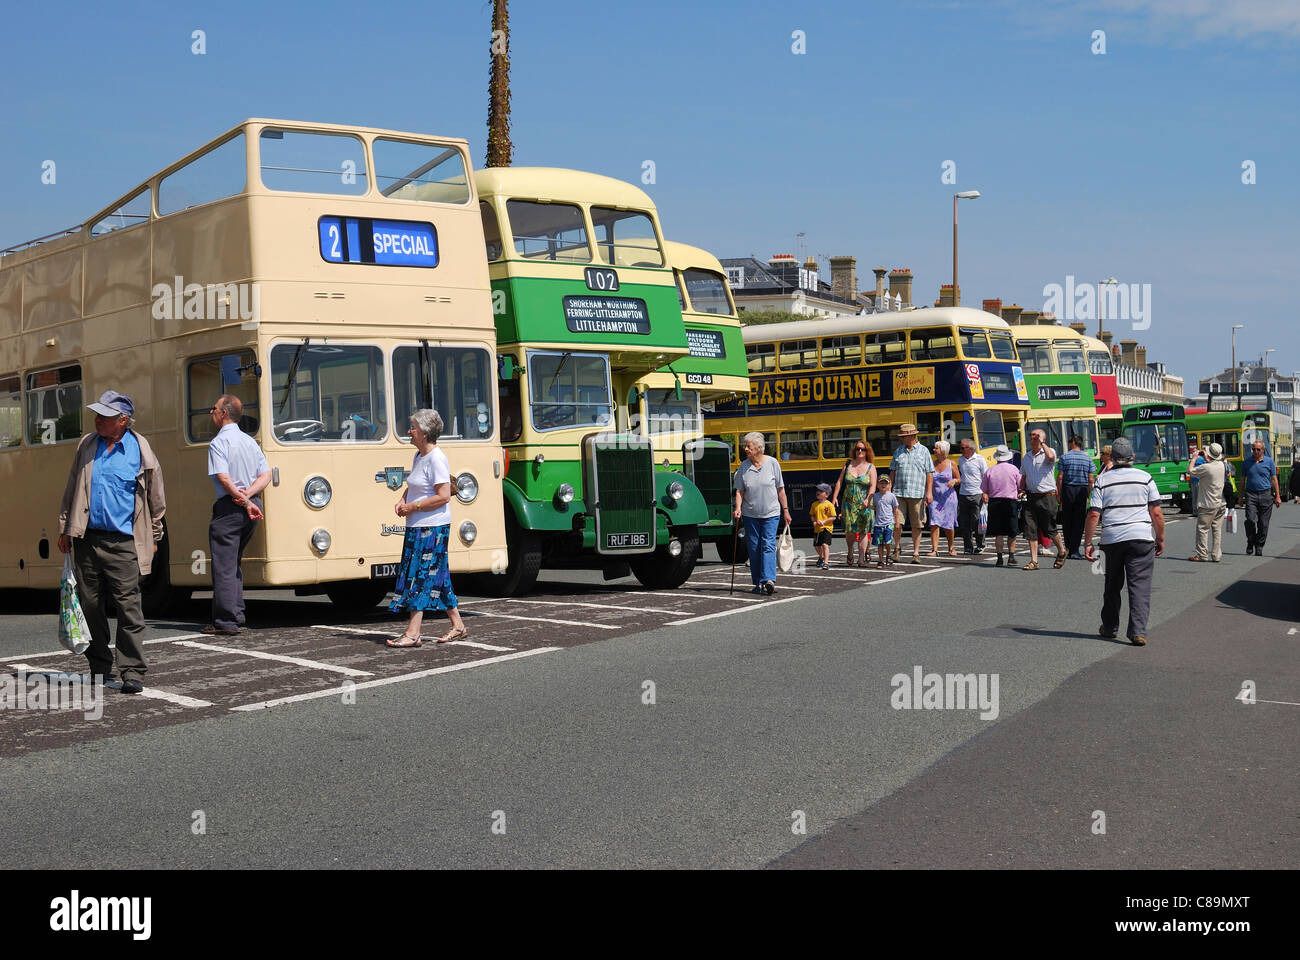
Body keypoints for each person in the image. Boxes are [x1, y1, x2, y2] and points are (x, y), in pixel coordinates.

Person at [56, 390, 167, 694]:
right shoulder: (87, 444)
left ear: (122, 420)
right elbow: (72, 488)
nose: (97, 420)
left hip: (124, 543)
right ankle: (99, 665)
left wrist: (154, 535)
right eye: (97, 415)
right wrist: (66, 528)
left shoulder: (140, 450)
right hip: (88, 540)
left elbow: (156, 498)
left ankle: (132, 670)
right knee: (91, 605)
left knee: (128, 606)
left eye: (104, 416)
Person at [387, 409, 467, 646]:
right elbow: (416, 484)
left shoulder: (436, 458)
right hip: (418, 525)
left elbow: (443, 496)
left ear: (423, 432)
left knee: (419, 576)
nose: (409, 431)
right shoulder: (419, 456)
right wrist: (403, 499)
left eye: (412, 427)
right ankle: (458, 626)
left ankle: (413, 633)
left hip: (433, 527)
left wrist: (412, 506)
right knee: (438, 576)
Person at [1083, 436, 1165, 646]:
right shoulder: (1145, 477)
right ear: (1132, 456)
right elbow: (1156, 512)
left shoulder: (1103, 480)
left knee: (1112, 585)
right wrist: (1160, 538)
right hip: (1141, 538)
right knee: (1139, 586)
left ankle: (1110, 627)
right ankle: (1138, 632)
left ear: (1113, 458)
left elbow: (1093, 514)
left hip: (1111, 540)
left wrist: (1088, 542)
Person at [205, 395, 271, 635]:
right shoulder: (249, 441)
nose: (211, 412)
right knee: (233, 562)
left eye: (213, 408)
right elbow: (266, 475)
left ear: (223, 413)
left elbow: (223, 477)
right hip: (252, 505)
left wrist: (242, 500)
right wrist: (250, 497)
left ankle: (225, 621)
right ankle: (237, 612)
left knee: (223, 565)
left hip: (231, 507)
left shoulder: (218, 443)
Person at [733, 431, 793, 595]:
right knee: (754, 547)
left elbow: (781, 490)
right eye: (746, 446)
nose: (746, 449)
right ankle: (758, 582)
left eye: (748, 446)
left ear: (759, 448)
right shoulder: (744, 466)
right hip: (750, 514)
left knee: (767, 544)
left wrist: (786, 511)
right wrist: (737, 508)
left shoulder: (773, 463)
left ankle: (768, 580)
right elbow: (740, 491)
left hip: (771, 513)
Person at [1019, 428, 1066, 571]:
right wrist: (1021, 490)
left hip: (1047, 496)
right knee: (1030, 529)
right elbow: (1024, 476)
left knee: (1049, 528)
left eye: (1036, 436)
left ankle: (1062, 550)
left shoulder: (1048, 452)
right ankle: (1034, 561)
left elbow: (1051, 458)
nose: (1032, 438)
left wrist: (1042, 442)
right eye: (1031, 436)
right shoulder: (1026, 457)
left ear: (1042, 439)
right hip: (1031, 496)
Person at [890, 423, 934, 564]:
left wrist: (929, 492)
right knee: (897, 524)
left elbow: (929, 473)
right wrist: (889, 491)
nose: (901, 439)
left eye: (903, 436)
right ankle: (896, 549)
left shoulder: (924, 451)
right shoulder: (898, 451)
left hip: (917, 493)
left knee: (917, 525)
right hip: (899, 493)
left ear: (911, 436)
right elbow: (893, 472)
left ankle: (916, 553)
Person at [831, 440, 876, 566]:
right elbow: (839, 482)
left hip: (864, 504)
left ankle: (861, 559)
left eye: (862, 449)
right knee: (850, 531)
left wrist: (868, 498)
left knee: (863, 530)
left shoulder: (871, 467)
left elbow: (873, 486)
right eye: (857, 449)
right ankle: (850, 551)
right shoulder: (848, 464)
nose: (860, 451)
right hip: (848, 503)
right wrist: (834, 498)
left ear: (867, 451)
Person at [1188, 442, 1232, 563]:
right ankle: (1216, 554)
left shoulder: (1206, 468)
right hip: (1221, 502)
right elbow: (1215, 462)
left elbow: (1191, 471)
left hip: (1208, 504)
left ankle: (1202, 554)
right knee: (1217, 529)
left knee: (1202, 529)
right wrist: (1208, 457)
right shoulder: (1222, 465)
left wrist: (1194, 458)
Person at [1056, 434, 1096, 560]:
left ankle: (1067, 548)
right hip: (1082, 489)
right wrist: (1088, 494)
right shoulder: (1088, 459)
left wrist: (1059, 493)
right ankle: (1075, 550)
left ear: (1073, 442)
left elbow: (1060, 477)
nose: (1068, 443)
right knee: (1079, 521)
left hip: (1068, 489)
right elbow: (1091, 479)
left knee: (1067, 520)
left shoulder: (1064, 457)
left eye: (1069, 441)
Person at [981, 444, 1020, 567]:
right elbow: (1020, 485)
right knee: (1012, 530)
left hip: (995, 502)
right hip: (1010, 501)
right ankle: (1011, 556)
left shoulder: (990, 470)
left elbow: (984, 488)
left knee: (998, 532)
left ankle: (999, 558)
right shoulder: (1014, 469)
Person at [1241, 438, 1281, 556]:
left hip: (1266, 494)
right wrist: (1239, 497)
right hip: (1251, 494)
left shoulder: (1269, 462)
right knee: (1250, 520)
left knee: (1263, 524)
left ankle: (1259, 545)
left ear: (1263, 450)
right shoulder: (1247, 462)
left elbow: (1274, 479)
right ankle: (1251, 540)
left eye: (1258, 449)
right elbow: (1242, 481)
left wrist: (1278, 496)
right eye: (1253, 449)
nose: (1255, 451)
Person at [956, 438, 988, 554]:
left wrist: (985, 492)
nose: (961, 450)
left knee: (977, 521)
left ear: (970, 449)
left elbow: (985, 476)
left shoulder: (979, 459)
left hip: (977, 493)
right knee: (964, 523)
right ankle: (968, 547)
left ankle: (980, 545)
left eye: (963, 448)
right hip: (963, 494)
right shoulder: (960, 459)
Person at [928, 440, 960, 556]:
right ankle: (934, 549)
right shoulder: (932, 464)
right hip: (935, 498)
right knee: (934, 523)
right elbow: (929, 481)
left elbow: (959, 479)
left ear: (943, 451)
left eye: (936, 448)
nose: (934, 450)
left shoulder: (952, 464)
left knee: (948, 523)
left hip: (949, 498)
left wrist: (954, 481)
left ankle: (951, 547)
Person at [872, 475, 898, 568]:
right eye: (881, 483)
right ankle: (880, 560)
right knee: (879, 543)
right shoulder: (875, 496)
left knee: (887, 542)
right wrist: (867, 506)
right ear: (877, 485)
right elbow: (874, 507)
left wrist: (896, 522)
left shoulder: (891, 496)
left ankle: (888, 555)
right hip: (878, 524)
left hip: (889, 523)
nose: (883, 485)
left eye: (885, 483)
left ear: (889, 485)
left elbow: (895, 509)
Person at [809, 483, 837, 570]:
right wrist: (813, 521)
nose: (818, 492)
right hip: (817, 529)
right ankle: (821, 557)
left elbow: (833, 517)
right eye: (818, 491)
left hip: (826, 528)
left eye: (821, 491)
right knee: (817, 546)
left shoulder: (829, 505)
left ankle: (826, 562)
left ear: (827, 494)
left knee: (825, 544)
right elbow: (812, 515)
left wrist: (824, 522)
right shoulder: (814, 504)